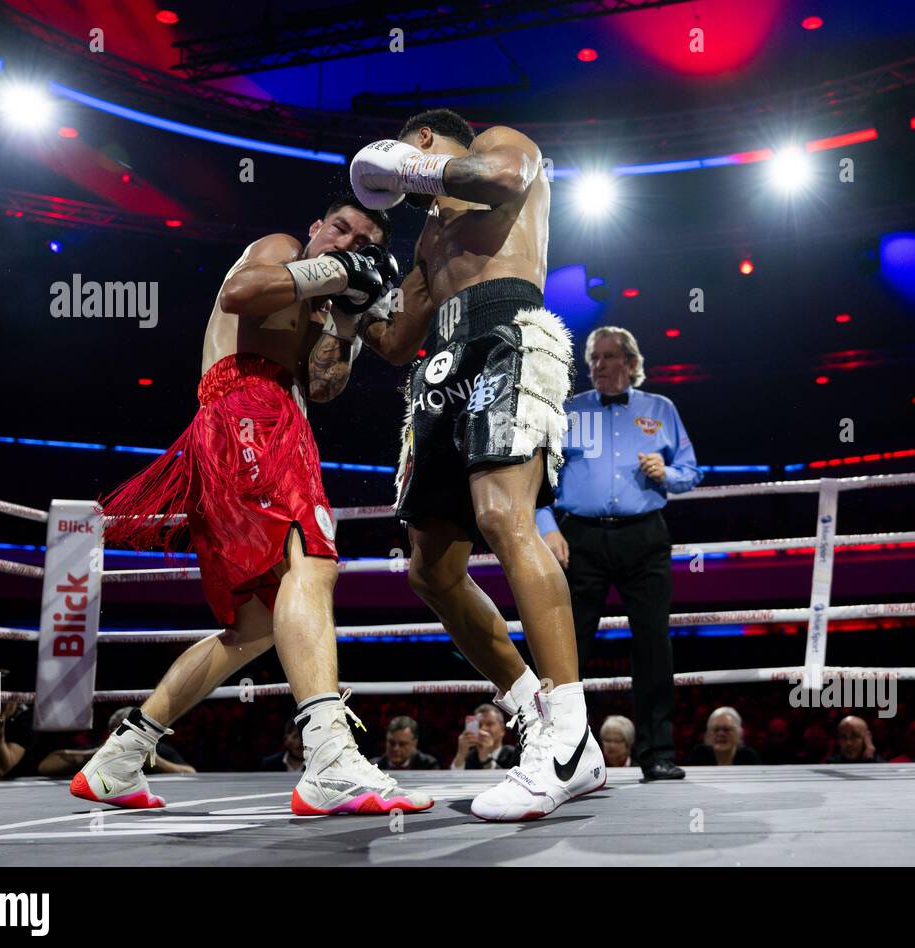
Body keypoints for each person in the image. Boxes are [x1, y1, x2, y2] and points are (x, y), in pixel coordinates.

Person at [75, 196, 432, 816]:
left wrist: (347, 320)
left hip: (266, 425)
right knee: (313, 566)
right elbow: (242, 292)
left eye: (363, 241)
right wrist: (343, 272)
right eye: (339, 228)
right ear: (315, 227)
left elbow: (322, 387)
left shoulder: (319, 298)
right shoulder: (280, 249)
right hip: (249, 412)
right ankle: (327, 758)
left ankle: (120, 757)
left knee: (256, 627)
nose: (346, 242)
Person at [349, 108, 605, 820]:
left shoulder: (499, 143)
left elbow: (504, 178)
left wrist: (401, 165)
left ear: (423, 140)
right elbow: (399, 338)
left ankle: (566, 729)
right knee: (430, 569)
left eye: (406, 156)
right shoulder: (430, 230)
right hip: (441, 367)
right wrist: (348, 295)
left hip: (507, 335)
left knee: (502, 514)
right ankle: (536, 713)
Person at [536, 327, 701, 782]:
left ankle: (658, 753)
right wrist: (548, 528)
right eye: (593, 358)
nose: (599, 366)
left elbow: (692, 470)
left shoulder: (660, 409)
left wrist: (667, 471)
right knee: (569, 647)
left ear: (631, 362)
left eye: (609, 357)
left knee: (653, 645)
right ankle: (557, 754)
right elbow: (537, 481)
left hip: (644, 537)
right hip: (578, 538)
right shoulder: (568, 411)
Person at [40, 706, 194, 777]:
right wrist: (93, 754)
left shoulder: (157, 750)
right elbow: (45, 767)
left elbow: (190, 773)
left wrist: (155, 762)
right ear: (111, 733)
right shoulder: (101, 748)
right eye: (121, 730)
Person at [684, 707, 761, 766]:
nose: (720, 734)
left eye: (726, 729)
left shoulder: (749, 757)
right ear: (708, 735)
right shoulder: (698, 756)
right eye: (716, 729)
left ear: (739, 733)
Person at [452, 703, 518, 770]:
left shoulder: (515, 754)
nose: (483, 728)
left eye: (489, 724)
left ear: (502, 730)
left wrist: (485, 758)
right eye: (479, 725)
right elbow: (454, 779)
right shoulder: (470, 756)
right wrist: (461, 755)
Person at [371, 716, 441, 770]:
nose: (396, 748)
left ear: (414, 744)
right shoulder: (372, 767)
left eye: (402, 744)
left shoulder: (429, 766)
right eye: (392, 743)